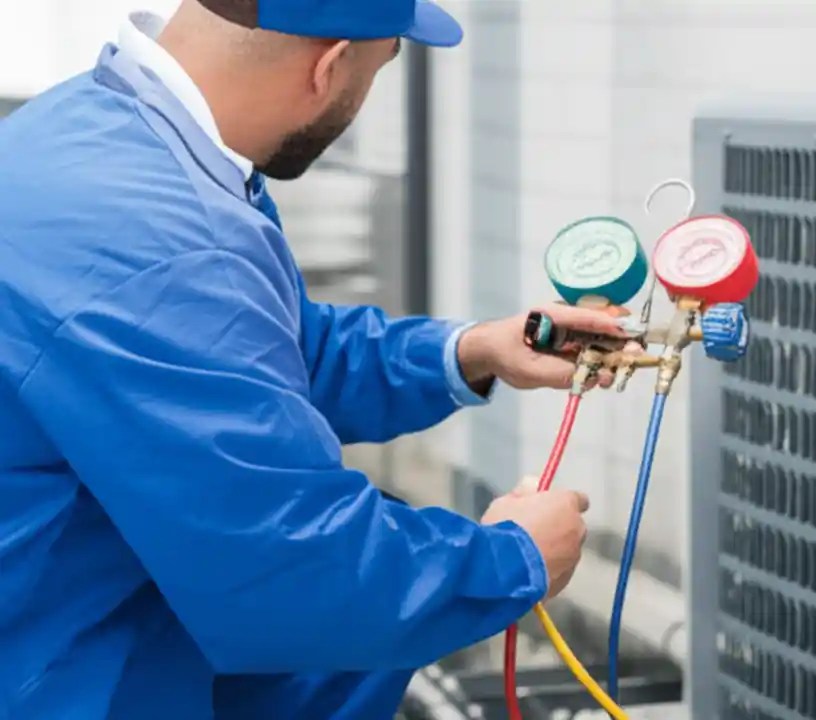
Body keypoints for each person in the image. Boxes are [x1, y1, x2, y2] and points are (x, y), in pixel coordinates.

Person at [0, 0, 625, 717]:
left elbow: (261, 355)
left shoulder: (88, 131)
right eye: (377, 69)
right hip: (61, 668)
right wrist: (515, 558)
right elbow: (295, 576)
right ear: (329, 68)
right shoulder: (167, 243)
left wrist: (472, 351)